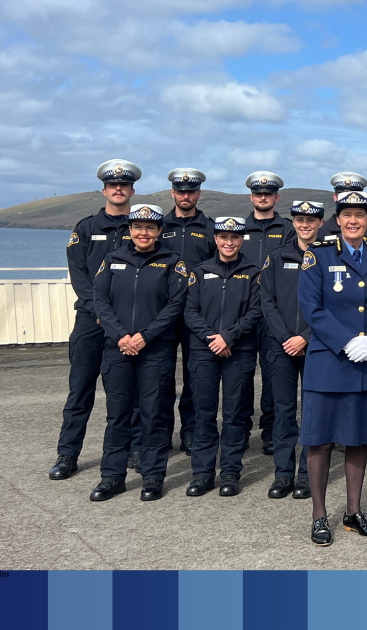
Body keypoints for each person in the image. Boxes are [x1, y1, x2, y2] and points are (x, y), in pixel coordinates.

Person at [297, 190, 367, 546]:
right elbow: (312, 307)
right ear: (337, 221)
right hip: (329, 361)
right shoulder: (318, 257)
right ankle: (319, 515)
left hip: (366, 362)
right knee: (320, 442)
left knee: (358, 440)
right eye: (346, 215)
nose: (353, 220)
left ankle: (353, 513)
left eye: (360, 215)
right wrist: (345, 341)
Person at [88, 205, 188, 501]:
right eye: (137, 227)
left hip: (155, 349)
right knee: (117, 415)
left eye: (150, 228)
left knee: (153, 413)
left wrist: (145, 336)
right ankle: (112, 476)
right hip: (118, 349)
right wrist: (121, 336)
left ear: (159, 231)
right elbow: (100, 300)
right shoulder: (113, 259)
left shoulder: (172, 262)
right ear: (129, 230)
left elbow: (175, 304)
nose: (143, 233)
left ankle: (153, 475)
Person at [52, 159, 142, 481]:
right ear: (104, 189)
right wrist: (103, 314)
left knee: (128, 391)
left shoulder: (141, 229)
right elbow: (80, 278)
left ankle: (133, 449)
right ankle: (68, 453)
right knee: (80, 390)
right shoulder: (86, 229)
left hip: (130, 323)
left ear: (132, 190)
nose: (119, 189)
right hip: (92, 322)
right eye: (113, 185)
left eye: (124, 185)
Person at [182, 217, 262, 497]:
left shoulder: (253, 272)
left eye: (235, 238)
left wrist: (228, 336)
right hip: (204, 352)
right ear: (215, 239)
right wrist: (212, 338)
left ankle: (230, 471)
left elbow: (255, 311)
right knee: (203, 415)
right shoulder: (201, 271)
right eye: (224, 237)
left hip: (238, 351)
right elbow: (190, 310)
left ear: (242, 240)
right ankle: (202, 474)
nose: (229, 243)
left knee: (234, 415)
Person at [260, 201, 326, 499]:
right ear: (293, 223)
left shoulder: (330, 257)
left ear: (321, 223)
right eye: (299, 219)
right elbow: (267, 301)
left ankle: (305, 476)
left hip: (317, 346)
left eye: (311, 220)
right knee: (284, 411)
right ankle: (283, 474)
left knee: (312, 411)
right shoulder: (277, 257)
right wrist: (287, 337)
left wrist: (306, 337)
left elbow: (335, 306)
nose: (305, 225)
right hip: (281, 345)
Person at [159, 168, 216, 456]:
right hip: (163, 315)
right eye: (180, 190)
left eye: (190, 191)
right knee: (161, 376)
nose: (185, 195)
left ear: (198, 194)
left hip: (196, 315)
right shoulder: (159, 226)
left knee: (194, 377)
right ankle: (160, 433)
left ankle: (191, 432)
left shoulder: (210, 227)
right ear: (173, 193)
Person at [242, 171, 294, 455]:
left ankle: (271, 431)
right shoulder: (238, 229)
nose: (263, 197)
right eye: (258, 193)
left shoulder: (287, 229)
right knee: (241, 374)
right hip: (242, 313)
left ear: (277, 197)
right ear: (251, 197)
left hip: (274, 314)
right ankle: (239, 429)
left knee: (274, 375)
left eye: (268, 193)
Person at [318, 172, 367, 247]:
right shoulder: (322, 230)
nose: (349, 199)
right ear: (335, 197)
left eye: (353, 195)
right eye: (342, 195)